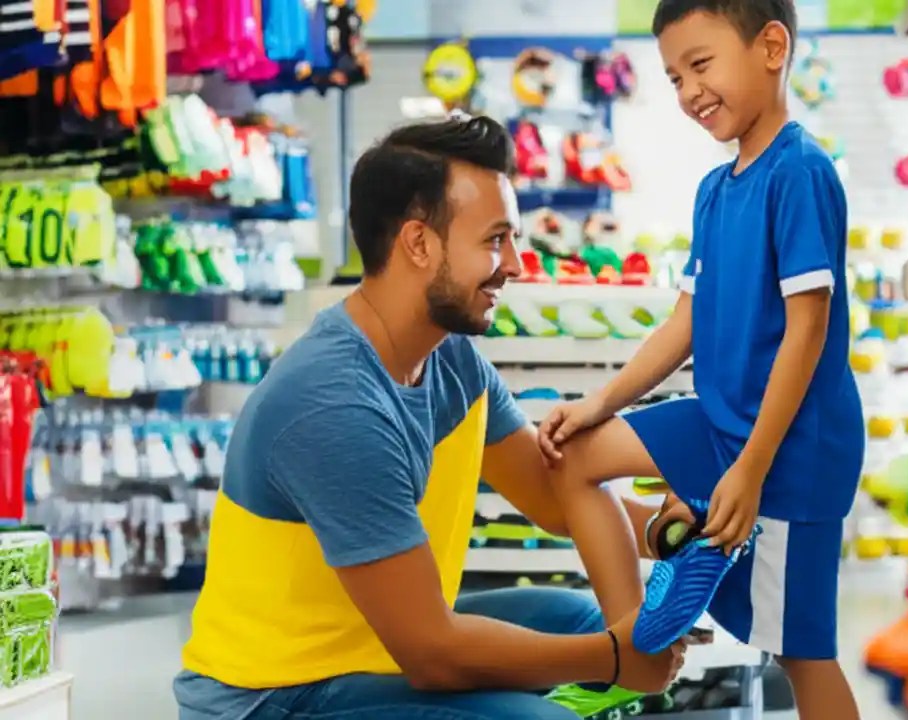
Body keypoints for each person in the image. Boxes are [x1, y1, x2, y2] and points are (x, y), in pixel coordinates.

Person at [173, 115, 689, 720]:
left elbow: (551, 498)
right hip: (271, 697)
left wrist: (669, 530)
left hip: (371, 653)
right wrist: (612, 659)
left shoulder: (450, 360)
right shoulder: (333, 405)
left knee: (585, 620)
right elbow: (432, 655)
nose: (517, 265)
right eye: (496, 240)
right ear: (419, 244)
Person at [538, 1, 865, 719]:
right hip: (723, 423)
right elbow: (685, 320)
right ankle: (638, 653)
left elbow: (807, 332)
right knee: (575, 453)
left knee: (802, 656)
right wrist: (601, 401)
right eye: (674, 76)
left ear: (772, 46)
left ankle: (686, 539)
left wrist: (750, 469)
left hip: (790, 450)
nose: (688, 92)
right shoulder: (715, 192)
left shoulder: (801, 172)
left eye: (701, 65)